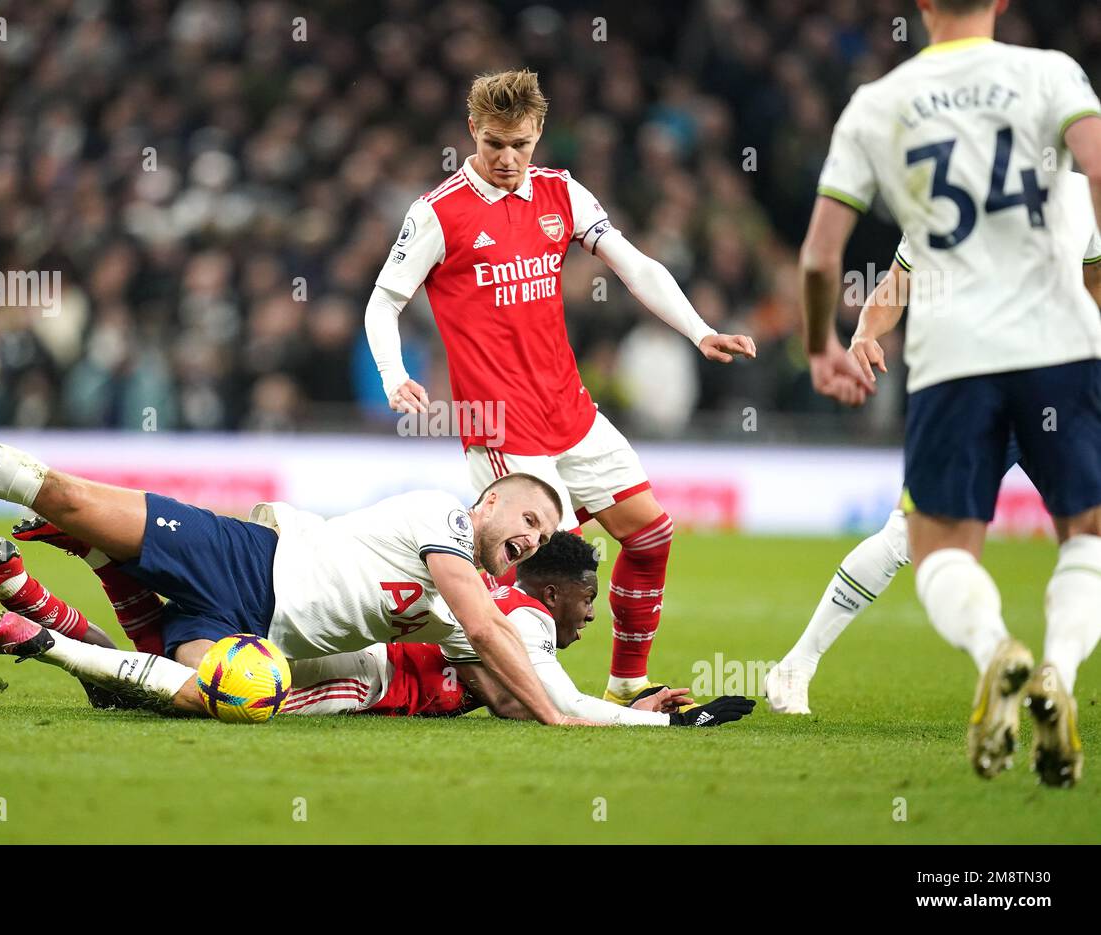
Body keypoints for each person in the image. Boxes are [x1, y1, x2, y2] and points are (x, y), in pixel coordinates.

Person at [0, 376, 594, 727]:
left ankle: (34, 621)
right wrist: (574, 722)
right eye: (528, 514)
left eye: (540, 535)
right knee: (64, 493)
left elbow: (499, 689)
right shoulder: (446, 524)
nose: (530, 536)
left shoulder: (460, 614)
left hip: (245, 635)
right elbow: (492, 634)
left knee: (201, 698)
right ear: (488, 500)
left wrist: (623, 717)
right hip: (238, 559)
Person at [365, 68, 756, 705]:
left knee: (650, 534)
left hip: (569, 411)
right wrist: (395, 376)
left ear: (539, 133)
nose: (508, 158)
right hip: (500, 424)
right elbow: (383, 302)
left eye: (520, 143)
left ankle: (627, 685)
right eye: (494, 143)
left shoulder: (562, 194)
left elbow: (635, 264)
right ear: (472, 133)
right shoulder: (437, 213)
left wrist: (699, 330)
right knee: (541, 570)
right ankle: (480, 687)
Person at [799, 0, 1101, 785]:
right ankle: (1058, 675)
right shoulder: (1052, 90)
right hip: (1060, 359)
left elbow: (829, 256)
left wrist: (836, 342)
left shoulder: (887, 107)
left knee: (929, 541)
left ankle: (996, 649)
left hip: (957, 363)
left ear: (921, 6)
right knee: (1089, 537)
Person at [769, 213, 1101, 715]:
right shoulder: (951, 195)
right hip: (974, 394)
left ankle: (1055, 678)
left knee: (1090, 536)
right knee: (906, 537)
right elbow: (898, 283)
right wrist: (864, 332)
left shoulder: (1077, 193)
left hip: (1057, 394)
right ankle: (797, 664)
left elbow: (1094, 282)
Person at [0, 527, 753, 727]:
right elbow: (542, 702)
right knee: (183, 694)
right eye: (588, 595)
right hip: (359, 676)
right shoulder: (520, 621)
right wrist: (657, 724)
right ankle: (48, 630)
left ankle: (31, 585)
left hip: (338, 632)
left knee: (164, 658)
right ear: (552, 587)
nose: (592, 610)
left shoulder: (487, 598)